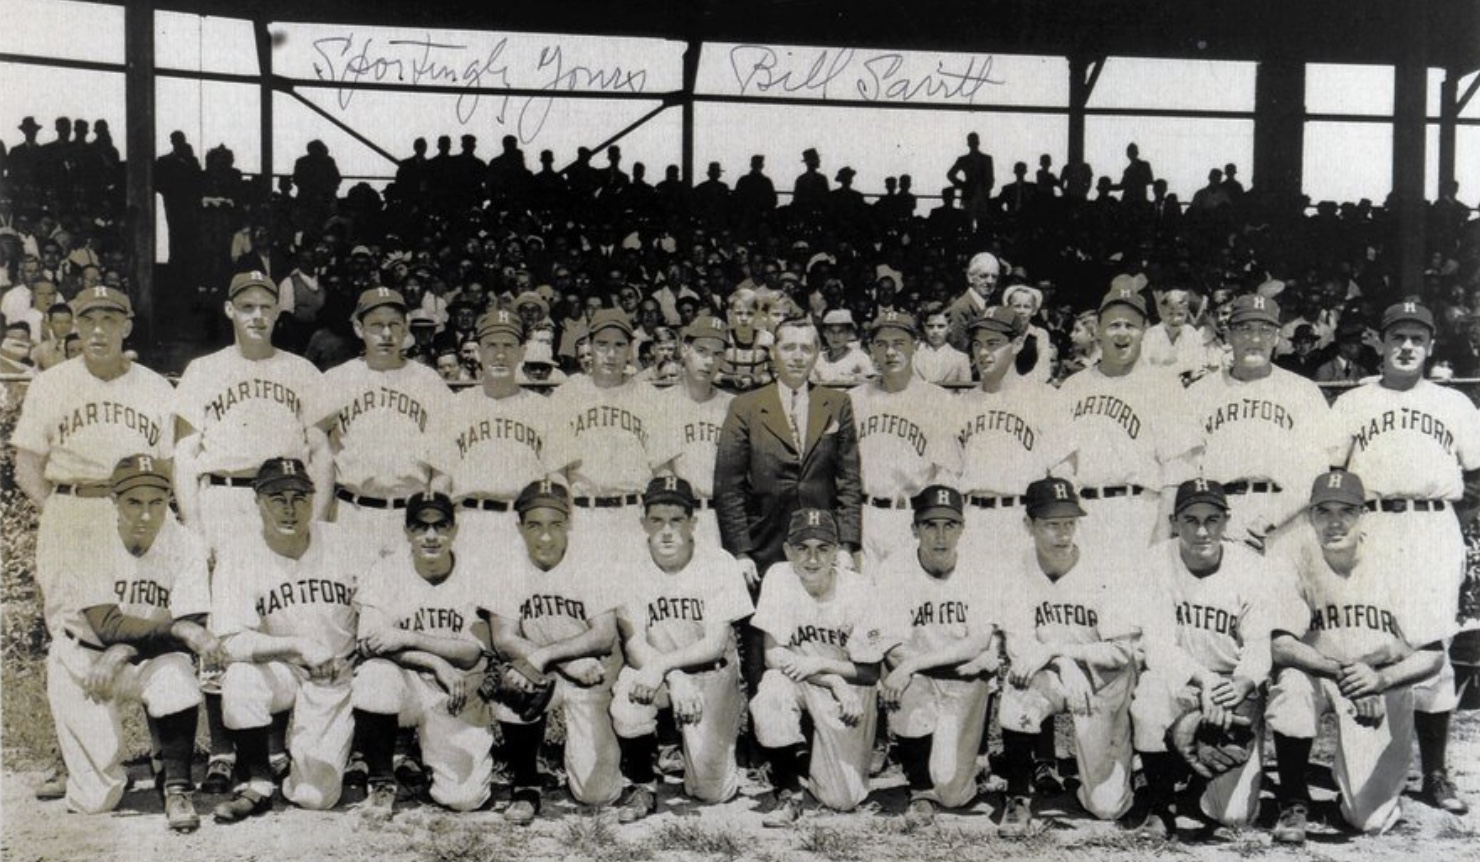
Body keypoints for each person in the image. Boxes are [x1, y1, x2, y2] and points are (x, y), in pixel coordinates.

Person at [11, 285, 176, 800]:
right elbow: (27, 467)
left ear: (128, 325)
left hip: (136, 514)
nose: (99, 330)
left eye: (110, 319)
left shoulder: (155, 387)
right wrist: (62, 515)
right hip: (73, 506)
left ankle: (166, 757)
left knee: (145, 624)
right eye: (89, 321)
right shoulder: (52, 384)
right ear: (73, 327)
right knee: (71, 637)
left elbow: (169, 466)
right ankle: (74, 761)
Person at [171, 269, 332, 792]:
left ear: (278, 311)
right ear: (229, 310)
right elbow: (184, 454)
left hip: (282, 497)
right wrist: (194, 523)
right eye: (247, 307)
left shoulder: (303, 370)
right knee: (222, 622)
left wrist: (320, 517)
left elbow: (322, 454)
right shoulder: (202, 370)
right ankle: (220, 749)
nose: (257, 315)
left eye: (266, 306)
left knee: (278, 614)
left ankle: (273, 743)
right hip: (221, 496)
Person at [1322, 301, 1480, 816]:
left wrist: (1455, 527)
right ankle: (1374, 768)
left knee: (1433, 645)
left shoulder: (1455, 403)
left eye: (1416, 338)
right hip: (1374, 525)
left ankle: (1434, 771)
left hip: (1432, 523)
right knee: (1376, 642)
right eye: (1397, 338)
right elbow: (1331, 472)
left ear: (1430, 345)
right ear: (1382, 344)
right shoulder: (1353, 403)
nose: (1407, 347)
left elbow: (1476, 476)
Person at [1265, 470, 1450, 842]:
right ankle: (1294, 798)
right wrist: (1345, 674)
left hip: (1380, 681)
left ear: (1364, 514)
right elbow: (1281, 645)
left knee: (1369, 819)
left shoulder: (1395, 556)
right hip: (1321, 672)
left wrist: (1379, 680)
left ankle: (1352, 779)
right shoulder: (1291, 552)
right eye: (1323, 511)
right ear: (1310, 515)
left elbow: (1433, 655)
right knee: (1292, 688)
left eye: (1346, 511)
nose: (1334, 522)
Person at [49, 455, 216, 831]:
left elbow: (192, 625)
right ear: (113, 500)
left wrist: (125, 649)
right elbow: (107, 625)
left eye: (157, 502)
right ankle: (80, 762)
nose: (146, 515)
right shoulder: (87, 539)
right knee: (97, 799)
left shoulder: (186, 543)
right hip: (85, 659)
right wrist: (151, 635)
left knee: (177, 677)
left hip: (137, 657)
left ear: (169, 501)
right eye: (134, 502)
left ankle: (176, 784)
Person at [212, 458, 364, 821]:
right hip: (285, 668)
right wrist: (296, 646)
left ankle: (308, 759)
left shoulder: (344, 541)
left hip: (336, 676)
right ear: (257, 501)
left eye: (299, 497)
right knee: (241, 679)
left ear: (314, 501)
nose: (289, 508)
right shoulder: (238, 552)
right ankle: (259, 781)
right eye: (277, 497)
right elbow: (230, 641)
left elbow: (376, 615)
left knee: (314, 797)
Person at [1129, 479, 1280, 836]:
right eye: (1190, 519)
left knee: (1234, 816)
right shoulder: (1155, 561)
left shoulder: (1250, 565)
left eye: (1212, 519)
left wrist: (1240, 685)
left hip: (1233, 687)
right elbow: (1160, 646)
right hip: (1180, 679)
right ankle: (1161, 804)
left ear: (1227, 521)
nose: (1201, 530)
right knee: (1148, 702)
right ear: (1174, 521)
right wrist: (1206, 684)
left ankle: (1194, 781)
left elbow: (1259, 644)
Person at [995, 478, 1139, 838]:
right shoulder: (1014, 570)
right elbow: (1019, 647)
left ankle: (1116, 768)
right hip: (1055, 676)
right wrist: (1061, 663)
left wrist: (1061, 651)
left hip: (1104, 684)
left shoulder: (1105, 569)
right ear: (1029, 525)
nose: (1062, 534)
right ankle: (1016, 796)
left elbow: (1121, 652)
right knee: (1018, 688)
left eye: (1069, 523)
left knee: (1107, 807)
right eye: (1051, 524)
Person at [609, 476, 754, 822]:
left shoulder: (719, 563)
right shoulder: (627, 564)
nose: (667, 531)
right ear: (643, 522)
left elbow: (714, 643)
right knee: (628, 696)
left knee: (712, 791)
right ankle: (643, 783)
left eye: (676, 520)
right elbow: (632, 643)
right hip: (659, 675)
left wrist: (668, 671)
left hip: (712, 675)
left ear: (693, 522)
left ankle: (687, 754)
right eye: (657, 520)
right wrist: (671, 676)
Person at [487, 480, 625, 824]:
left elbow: (605, 636)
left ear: (570, 523)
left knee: (596, 795)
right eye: (534, 525)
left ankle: (618, 756)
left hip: (592, 676)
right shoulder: (505, 565)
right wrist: (558, 660)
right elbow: (503, 638)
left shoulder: (593, 562)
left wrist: (551, 657)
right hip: (544, 670)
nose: (545, 537)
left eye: (555, 525)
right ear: (519, 527)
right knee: (511, 683)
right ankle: (526, 784)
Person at [350, 492, 493, 816]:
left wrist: (409, 637)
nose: (431, 536)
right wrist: (435, 662)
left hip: (456, 691)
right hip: (408, 685)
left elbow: (474, 652)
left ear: (455, 530)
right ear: (407, 532)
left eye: (440, 526)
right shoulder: (385, 570)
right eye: (420, 526)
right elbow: (369, 644)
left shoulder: (474, 571)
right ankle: (382, 779)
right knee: (375, 676)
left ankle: (428, 761)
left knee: (465, 800)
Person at [749, 509, 893, 824]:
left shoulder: (859, 590)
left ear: (837, 552)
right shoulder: (779, 576)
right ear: (788, 550)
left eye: (823, 548)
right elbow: (772, 656)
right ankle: (789, 791)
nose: (812, 558)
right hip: (807, 679)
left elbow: (870, 672)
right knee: (771, 692)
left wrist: (826, 671)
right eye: (802, 548)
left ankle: (808, 753)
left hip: (852, 690)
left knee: (843, 799)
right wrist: (832, 680)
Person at [877, 486, 998, 826]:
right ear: (914, 528)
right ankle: (919, 789)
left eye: (950, 525)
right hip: (921, 680)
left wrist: (917, 662)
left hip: (963, 683)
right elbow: (893, 645)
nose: (941, 536)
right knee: (905, 679)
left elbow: (978, 642)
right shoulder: (894, 569)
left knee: (954, 794)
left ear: (962, 528)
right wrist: (913, 666)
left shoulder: (979, 567)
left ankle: (962, 763)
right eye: (930, 525)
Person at [1056, 286, 1199, 558]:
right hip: (1083, 517)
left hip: (1140, 514)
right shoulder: (1074, 387)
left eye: (1130, 325)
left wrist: (1161, 535)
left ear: (1145, 329)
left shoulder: (1164, 386)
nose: (1122, 333)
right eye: (1113, 325)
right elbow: (1062, 464)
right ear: (1097, 330)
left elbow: (1177, 473)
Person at [1186, 294, 1330, 558]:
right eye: (1244, 329)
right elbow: (1190, 469)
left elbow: (1314, 472)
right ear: (1228, 335)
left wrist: (1268, 519)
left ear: (1277, 338)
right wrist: (1222, 521)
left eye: (1265, 330)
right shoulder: (1199, 393)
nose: (1254, 339)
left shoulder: (1303, 391)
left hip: (1285, 522)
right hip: (1219, 522)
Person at [314, 287, 452, 558]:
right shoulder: (337, 379)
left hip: (410, 516)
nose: (386, 334)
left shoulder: (429, 382)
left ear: (405, 328)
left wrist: (431, 519)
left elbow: (444, 465)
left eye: (394, 325)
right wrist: (318, 523)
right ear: (358, 328)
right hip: (352, 513)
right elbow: (322, 458)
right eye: (376, 325)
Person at [543, 308, 676, 537]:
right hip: (583, 514)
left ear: (630, 350)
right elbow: (557, 473)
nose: (611, 354)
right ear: (590, 346)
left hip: (634, 513)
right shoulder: (567, 394)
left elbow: (663, 471)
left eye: (619, 345)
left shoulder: (649, 396)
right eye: (602, 344)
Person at [953, 307, 1071, 558]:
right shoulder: (963, 403)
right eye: (977, 344)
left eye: (993, 343)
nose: (983, 353)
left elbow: (1064, 471)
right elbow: (949, 473)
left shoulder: (1043, 397)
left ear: (1017, 344)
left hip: (1021, 519)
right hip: (971, 519)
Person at [849, 310, 962, 570]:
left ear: (916, 346)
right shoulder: (854, 399)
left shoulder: (937, 399)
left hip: (911, 516)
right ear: (871, 350)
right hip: (865, 516)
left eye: (899, 343)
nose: (890, 352)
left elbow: (946, 474)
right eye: (881, 344)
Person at [439, 309, 549, 557]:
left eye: (509, 346)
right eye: (491, 346)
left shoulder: (543, 408)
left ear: (522, 352)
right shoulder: (455, 406)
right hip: (470, 522)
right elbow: (442, 477)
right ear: (478, 351)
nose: (500, 355)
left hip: (523, 525)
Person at [648, 315, 734, 547]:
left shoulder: (732, 406)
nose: (709, 361)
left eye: (717, 354)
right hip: (678, 515)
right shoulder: (660, 404)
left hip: (721, 517)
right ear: (685, 350)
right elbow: (661, 471)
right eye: (702, 351)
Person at [945, 252, 1000, 352]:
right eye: (984, 276)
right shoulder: (960, 309)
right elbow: (959, 353)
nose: (990, 281)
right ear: (970, 277)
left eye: (994, 276)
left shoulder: (992, 306)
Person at [912, 303, 972, 385]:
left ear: (950, 327)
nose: (935, 331)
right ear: (924, 327)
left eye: (941, 326)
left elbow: (964, 393)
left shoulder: (961, 358)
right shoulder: (913, 357)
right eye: (930, 326)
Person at [811, 309, 874, 386]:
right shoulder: (818, 358)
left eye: (841, 332)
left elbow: (872, 381)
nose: (835, 336)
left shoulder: (859, 357)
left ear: (849, 333)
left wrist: (856, 378)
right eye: (831, 331)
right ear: (824, 333)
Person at [946, 133, 994, 229]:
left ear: (978, 142)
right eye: (971, 141)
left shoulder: (987, 159)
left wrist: (985, 190)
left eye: (974, 140)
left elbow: (991, 178)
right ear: (968, 143)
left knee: (982, 224)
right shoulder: (963, 159)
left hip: (982, 195)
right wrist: (962, 185)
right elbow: (950, 174)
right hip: (969, 195)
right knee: (968, 224)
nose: (973, 143)